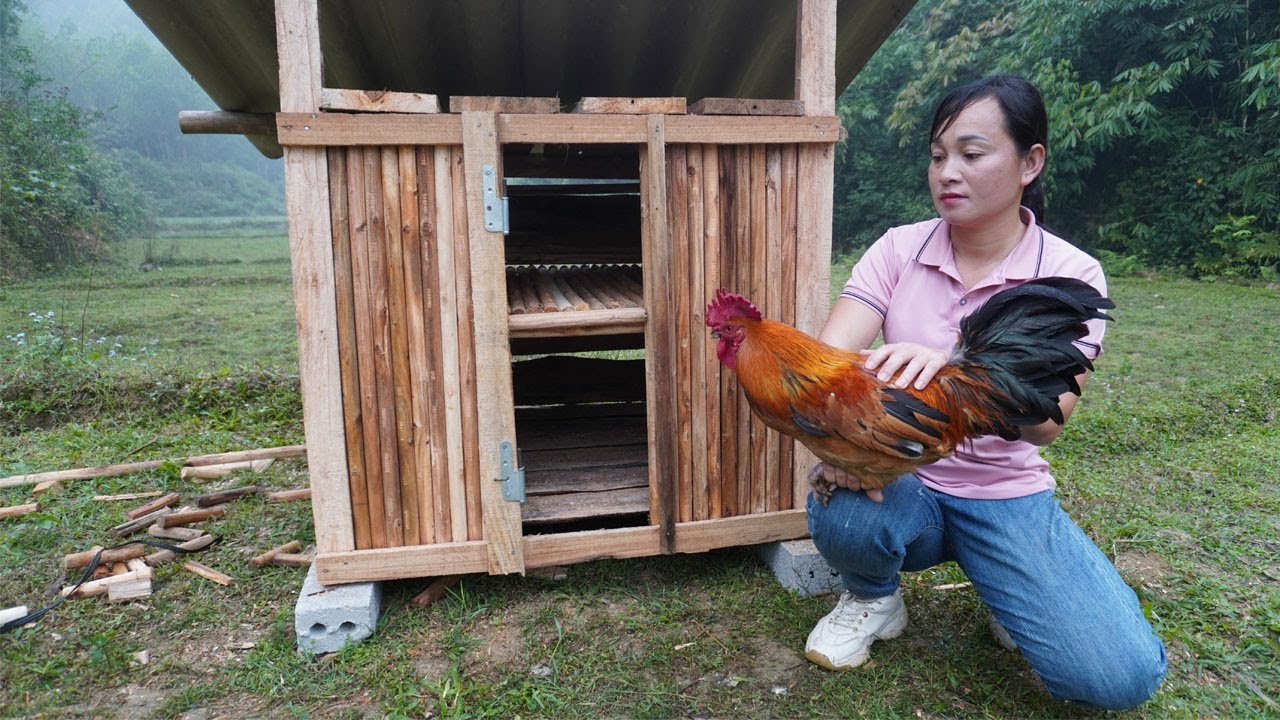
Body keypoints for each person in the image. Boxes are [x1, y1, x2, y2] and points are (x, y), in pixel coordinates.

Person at [803, 74, 1167, 711]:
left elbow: (1047, 424)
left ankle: (1011, 591)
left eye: (972, 154)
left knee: (1118, 679)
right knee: (846, 503)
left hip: (1005, 496)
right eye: (938, 155)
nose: (948, 172)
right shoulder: (898, 249)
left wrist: (950, 370)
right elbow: (830, 361)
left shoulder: (1069, 272)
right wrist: (845, 439)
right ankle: (872, 597)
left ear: (1030, 163)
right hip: (904, 478)